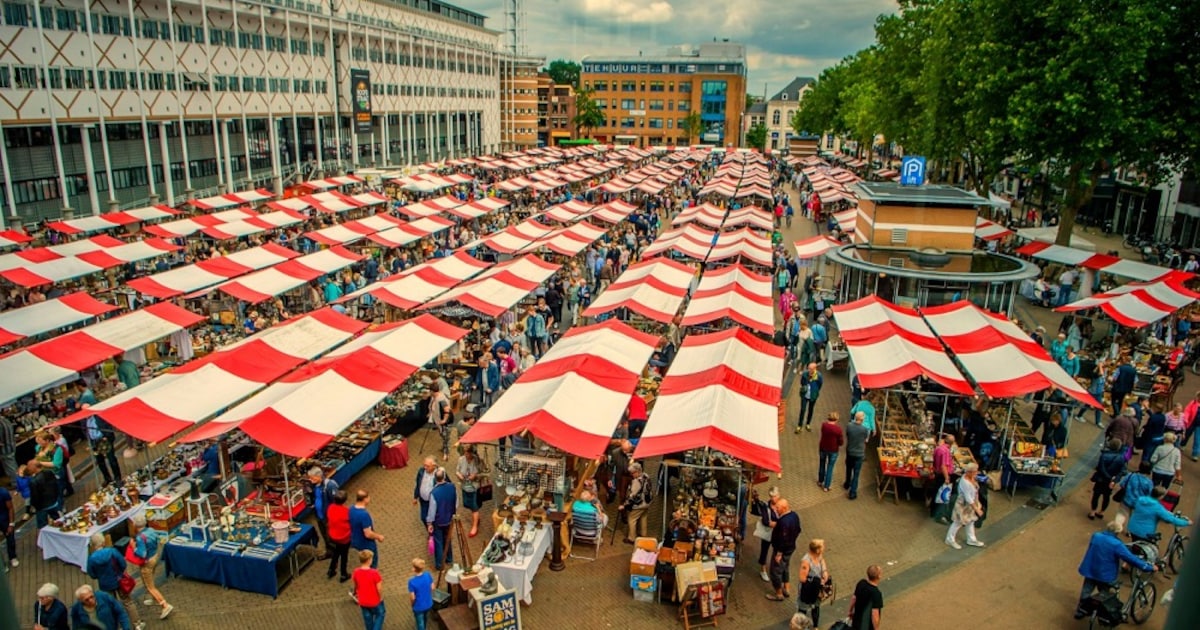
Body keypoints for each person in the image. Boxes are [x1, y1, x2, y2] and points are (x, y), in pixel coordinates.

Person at [1075, 518, 1155, 618]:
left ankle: (1081, 610)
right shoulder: (1117, 544)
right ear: (1118, 532)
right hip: (1106, 575)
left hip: (1091, 570)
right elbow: (1130, 558)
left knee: (1086, 591)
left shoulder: (1096, 536)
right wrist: (1148, 567)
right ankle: (1104, 615)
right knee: (1104, 595)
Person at [86, 533, 142, 629]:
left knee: (111, 606)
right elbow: (123, 564)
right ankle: (137, 624)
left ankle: (117, 626)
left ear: (93, 545)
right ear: (103, 542)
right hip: (120, 581)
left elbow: (92, 574)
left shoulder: (91, 559)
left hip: (105, 585)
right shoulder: (112, 551)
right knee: (128, 602)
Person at [128, 512, 174, 619]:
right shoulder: (151, 530)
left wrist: (133, 547)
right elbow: (158, 541)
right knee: (150, 578)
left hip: (147, 561)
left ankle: (164, 604)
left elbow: (141, 553)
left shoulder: (140, 538)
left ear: (135, 525)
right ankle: (151, 597)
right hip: (155, 556)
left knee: (150, 586)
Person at [766, 498, 801, 601]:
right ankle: (787, 589)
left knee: (775, 571)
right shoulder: (794, 516)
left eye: (778, 508)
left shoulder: (783, 522)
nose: (776, 510)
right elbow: (798, 530)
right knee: (785, 567)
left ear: (784, 508)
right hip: (790, 548)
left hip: (781, 550)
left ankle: (779, 593)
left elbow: (783, 538)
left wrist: (779, 553)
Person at [944, 463, 985, 549]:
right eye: (975, 471)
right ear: (969, 472)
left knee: (970, 521)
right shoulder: (965, 483)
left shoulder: (970, 477)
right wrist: (977, 510)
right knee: (958, 522)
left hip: (970, 505)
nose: (976, 473)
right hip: (963, 505)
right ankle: (949, 539)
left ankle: (971, 539)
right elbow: (968, 498)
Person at [1088, 438, 1128, 520]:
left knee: (1096, 495)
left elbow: (1100, 468)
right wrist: (1114, 480)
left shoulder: (1104, 455)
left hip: (1101, 479)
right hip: (1110, 482)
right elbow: (1122, 471)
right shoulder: (1121, 458)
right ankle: (1101, 512)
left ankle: (1093, 511)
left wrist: (1108, 476)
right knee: (1106, 497)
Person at [426, 467, 457, 570]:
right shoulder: (452, 487)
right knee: (448, 539)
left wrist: (429, 523)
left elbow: (432, 511)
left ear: (435, 479)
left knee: (438, 542)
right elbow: (456, 503)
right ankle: (449, 559)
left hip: (438, 522)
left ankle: (439, 565)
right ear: (444, 477)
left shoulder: (434, 493)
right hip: (450, 519)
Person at [306, 466, 340, 559]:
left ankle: (336, 551)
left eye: (312, 478)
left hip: (328, 516)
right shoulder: (314, 485)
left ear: (319, 476)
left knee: (331, 535)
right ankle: (329, 551)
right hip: (319, 515)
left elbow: (336, 502)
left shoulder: (330, 485)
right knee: (325, 534)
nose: (310, 479)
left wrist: (333, 516)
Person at [83, 408, 121, 486]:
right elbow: (85, 431)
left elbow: (107, 425)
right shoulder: (84, 420)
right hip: (94, 442)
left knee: (111, 459)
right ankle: (107, 478)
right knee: (100, 461)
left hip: (104, 440)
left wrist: (107, 436)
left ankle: (117, 478)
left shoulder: (98, 416)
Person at [796, 539, 831, 626]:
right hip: (807, 589)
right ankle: (800, 626)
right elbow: (802, 578)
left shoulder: (818, 555)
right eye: (822, 547)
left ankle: (815, 626)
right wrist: (817, 581)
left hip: (816, 589)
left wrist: (824, 571)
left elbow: (822, 562)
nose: (824, 549)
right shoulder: (806, 561)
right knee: (803, 609)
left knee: (816, 607)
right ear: (817, 550)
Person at [351, 550, 385, 630]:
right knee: (380, 614)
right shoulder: (374, 573)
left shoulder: (356, 572)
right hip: (374, 600)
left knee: (367, 618)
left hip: (363, 600)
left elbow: (355, 584)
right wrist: (381, 597)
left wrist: (355, 592)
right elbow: (379, 588)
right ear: (369, 560)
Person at [619, 462, 652, 543]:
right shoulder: (647, 476)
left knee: (632, 519)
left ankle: (631, 538)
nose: (632, 475)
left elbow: (632, 496)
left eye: (632, 473)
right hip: (647, 503)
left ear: (637, 471)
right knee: (643, 517)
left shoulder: (636, 482)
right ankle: (643, 535)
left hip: (639, 505)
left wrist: (624, 505)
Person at [752, 487, 780, 581]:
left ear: (778, 495)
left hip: (777, 533)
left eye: (775, 496)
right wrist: (779, 523)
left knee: (777, 551)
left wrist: (775, 523)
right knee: (764, 550)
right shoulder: (766, 506)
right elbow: (766, 521)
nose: (773, 498)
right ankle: (763, 570)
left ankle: (775, 569)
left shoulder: (781, 505)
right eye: (771, 496)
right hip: (767, 533)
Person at [350, 490, 384, 569]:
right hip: (366, 543)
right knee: (371, 563)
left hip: (356, 540)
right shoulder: (364, 515)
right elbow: (368, 534)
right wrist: (378, 536)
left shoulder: (351, 509)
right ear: (365, 499)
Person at [456, 448, 483, 537]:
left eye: (468, 453)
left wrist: (475, 476)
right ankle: (477, 517)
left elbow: (484, 474)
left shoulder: (478, 461)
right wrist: (459, 475)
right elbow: (457, 470)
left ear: (472, 453)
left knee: (474, 508)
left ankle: (475, 526)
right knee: (468, 505)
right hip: (465, 487)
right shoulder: (461, 459)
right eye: (465, 452)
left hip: (474, 488)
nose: (466, 455)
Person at [326, 491, 352, 582]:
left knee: (336, 552)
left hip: (333, 536)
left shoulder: (331, 508)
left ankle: (331, 569)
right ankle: (343, 574)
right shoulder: (346, 511)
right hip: (344, 538)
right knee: (344, 555)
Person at [848, 565, 884, 630]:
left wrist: (850, 611)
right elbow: (874, 614)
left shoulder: (861, 583)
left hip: (856, 622)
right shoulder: (876, 593)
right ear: (879, 576)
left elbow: (854, 598)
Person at [27, 459, 61, 528]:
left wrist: (34, 505)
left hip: (42, 507)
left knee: (42, 526)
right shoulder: (49, 472)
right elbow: (56, 486)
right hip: (53, 502)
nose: (28, 468)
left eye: (29, 466)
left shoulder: (33, 482)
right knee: (57, 521)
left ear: (34, 467)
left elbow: (35, 496)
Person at [843, 412, 869, 500]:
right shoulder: (864, 429)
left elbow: (847, 435)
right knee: (856, 473)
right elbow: (865, 439)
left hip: (850, 451)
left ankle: (847, 483)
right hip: (859, 453)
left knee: (848, 468)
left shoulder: (849, 426)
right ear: (862, 419)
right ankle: (852, 492)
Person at [817, 413, 843, 492]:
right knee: (830, 467)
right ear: (836, 419)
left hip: (823, 447)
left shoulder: (824, 425)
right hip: (833, 450)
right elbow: (841, 441)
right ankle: (826, 486)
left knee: (822, 464)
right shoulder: (838, 429)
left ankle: (820, 481)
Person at [408, 558, 434, 630]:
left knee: (420, 623)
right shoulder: (428, 575)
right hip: (428, 604)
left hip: (418, 606)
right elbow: (432, 587)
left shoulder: (411, 581)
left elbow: (413, 597)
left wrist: (412, 604)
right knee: (425, 618)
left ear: (414, 569)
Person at [795, 363, 822, 433]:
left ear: (815, 369)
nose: (809, 370)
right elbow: (802, 382)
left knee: (811, 409)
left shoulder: (818, 376)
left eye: (811, 369)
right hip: (804, 395)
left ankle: (808, 424)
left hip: (813, 396)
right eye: (808, 368)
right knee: (803, 410)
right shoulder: (805, 374)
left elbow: (820, 385)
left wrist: (815, 391)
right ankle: (799, 425)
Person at [428, 389, 453, 462]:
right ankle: (444, 448)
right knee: (442, 435)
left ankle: (446, 454)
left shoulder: (441, 399)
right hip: (439, 422)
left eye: (430, 391)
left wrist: (444, 420)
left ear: (432, 391)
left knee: (446, 438)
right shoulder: (434, 398)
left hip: (445, 423)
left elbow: (447, 410)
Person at [413, 457, 437, 525]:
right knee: (424, 518)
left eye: (428, 466)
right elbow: (418, 484)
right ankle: (430, 532)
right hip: (423, 500)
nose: (425, 467)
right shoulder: (421, 471)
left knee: (434, 518)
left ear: (434, 466)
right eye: (424, 465)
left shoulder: (439, 474)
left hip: (433, 502)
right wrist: (415, 497)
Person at [0, 483, 14, 569]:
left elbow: (10, 508)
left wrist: (11, 524)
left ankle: (12, 557)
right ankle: (2, 564)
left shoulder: (3, 492)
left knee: (10, 539)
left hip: (5, 520)